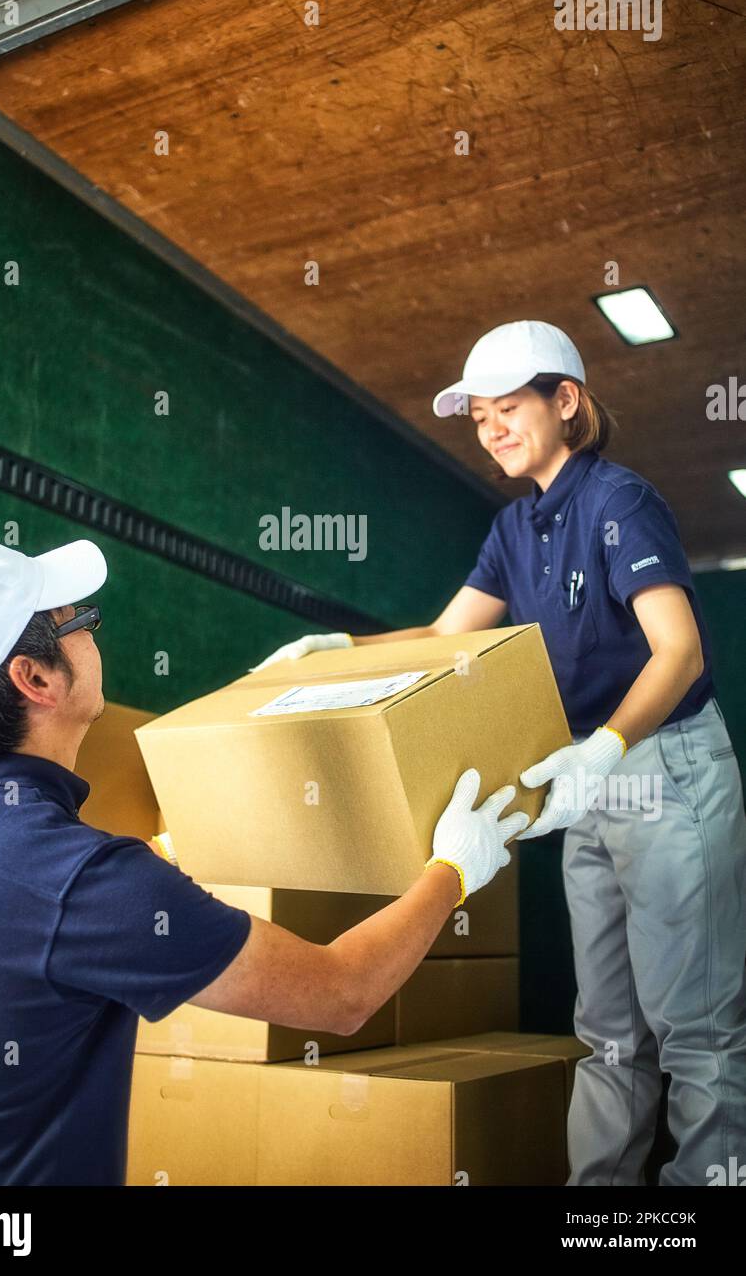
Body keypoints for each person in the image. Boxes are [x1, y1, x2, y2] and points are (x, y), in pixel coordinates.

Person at [255, 319, 746, 1187]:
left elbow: (681, 651)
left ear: (568, 402)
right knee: (607, 1028)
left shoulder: (620, 500)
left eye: (508, 408)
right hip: (585, 782)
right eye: (479, 417)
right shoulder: (514, 529)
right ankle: (601, 1210)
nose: (491, 430)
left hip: (663, 766)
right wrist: (345, 650)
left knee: (696, 1028)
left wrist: (604, 749)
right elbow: (448, 638)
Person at [0, 536, 526, 1186]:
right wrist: (454, 869)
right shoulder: (92, 884)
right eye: (80, 621)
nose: (92, 631)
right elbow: (341, 994)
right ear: (37, 679)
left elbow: (15, 925)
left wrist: (159, 861)